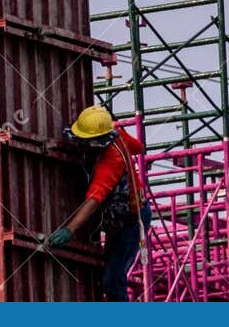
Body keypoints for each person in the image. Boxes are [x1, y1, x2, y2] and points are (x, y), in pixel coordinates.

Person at [47, 105, 152, 301]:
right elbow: (138, 147)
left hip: (131, 221)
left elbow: (95, 198)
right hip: (124, 218)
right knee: (105, 271)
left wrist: (69, 230)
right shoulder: (118, 134)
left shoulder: (111, 162)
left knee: (113, 279)